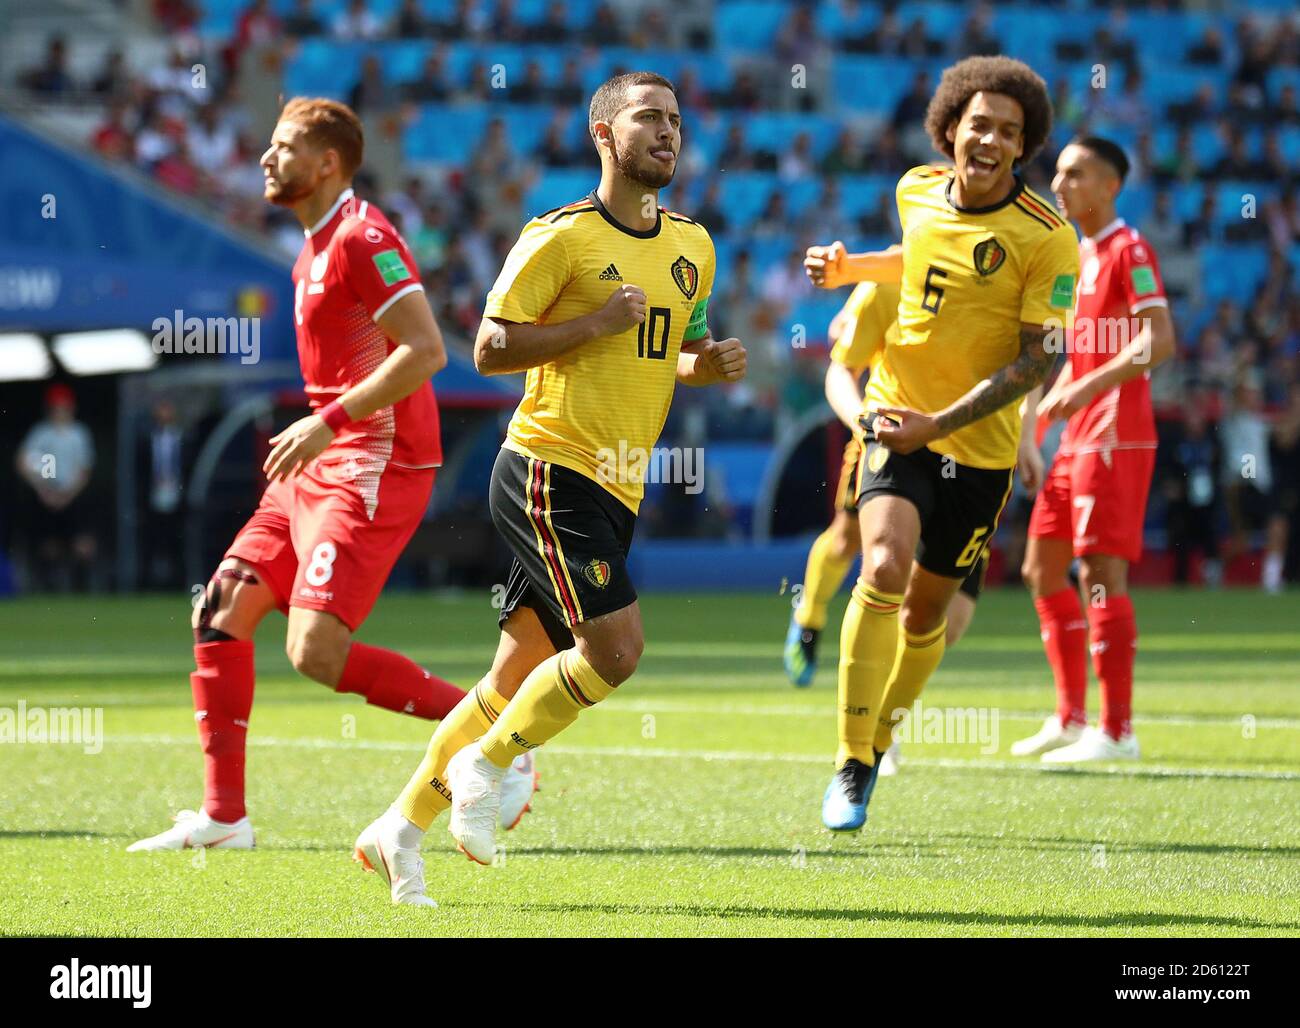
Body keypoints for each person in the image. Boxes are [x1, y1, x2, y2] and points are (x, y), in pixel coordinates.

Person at [353, 72, 747, 904]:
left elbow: (671, 348)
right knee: (616, 651)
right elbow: (490, 349)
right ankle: (486, 764)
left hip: (619, 486)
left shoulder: (694, 246)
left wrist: (704, 365)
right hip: (547, 468)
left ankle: (398, 828)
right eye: (648, 118)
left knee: (509, 680)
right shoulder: (559, 237)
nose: (667, 132)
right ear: (605, 135)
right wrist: (594, 323)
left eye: (676, 119)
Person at [129, 98, 531, 856]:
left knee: (313, 651)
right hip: (318, 464)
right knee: (218, 612)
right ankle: (225, 818)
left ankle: (501, 736)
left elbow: (426, 350)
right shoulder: (308, 250)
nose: (265, 160)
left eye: (282, 147)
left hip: (372, 462)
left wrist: (327, 422)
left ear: (327, 164)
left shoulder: (363, 237)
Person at [803, 56, 1078, 831]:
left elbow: (1038, 359)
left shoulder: (1049, 240)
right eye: (979, 123)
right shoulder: (915, 189)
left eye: (1010, 132)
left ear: (1024, 149)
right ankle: (853, 763)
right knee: (880, 563)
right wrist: (850, 268)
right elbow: (923, 259)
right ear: (951, 127)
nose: (990, 139)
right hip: (897, 418)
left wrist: (940, 426)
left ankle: (882, 735)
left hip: (980, 451)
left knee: (928, 620)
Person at [782, 281, 1045, 779]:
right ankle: (811, 618)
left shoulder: (1007, 279)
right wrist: (863, 416)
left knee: (948, 622)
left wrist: (1027, 439)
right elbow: (846, 353)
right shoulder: (890, 277)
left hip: (977, 461)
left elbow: (1031, 367)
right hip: (895, 442)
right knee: (856, 546)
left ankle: (885, 720)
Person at [1015, 136, 1177, 763]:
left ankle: (1116, 731)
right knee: (1040, 569)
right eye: (1057, 172)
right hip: (1078, 434)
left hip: (1115, 432)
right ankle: (1070, 716)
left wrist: (1081, 387)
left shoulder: (1129, 248)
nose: (1059, 184)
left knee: (1101, 574)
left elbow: (1158, 341)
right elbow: (1076, 354)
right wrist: (1038, 424)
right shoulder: (1076, 255)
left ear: (1111, 185)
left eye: (1075, 174)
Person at [15, 384, 98, 591]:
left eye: (64, 407)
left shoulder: (79, 434)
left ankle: (82, 590)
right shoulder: (41, 434)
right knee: (49, 546)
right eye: (57, 407)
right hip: (47, 495)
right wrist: (42, 488)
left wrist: (69, 494)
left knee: (82, 545)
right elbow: (23, 462)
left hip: (74, 495)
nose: (61, 411)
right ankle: (50, 589)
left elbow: (85, 469)